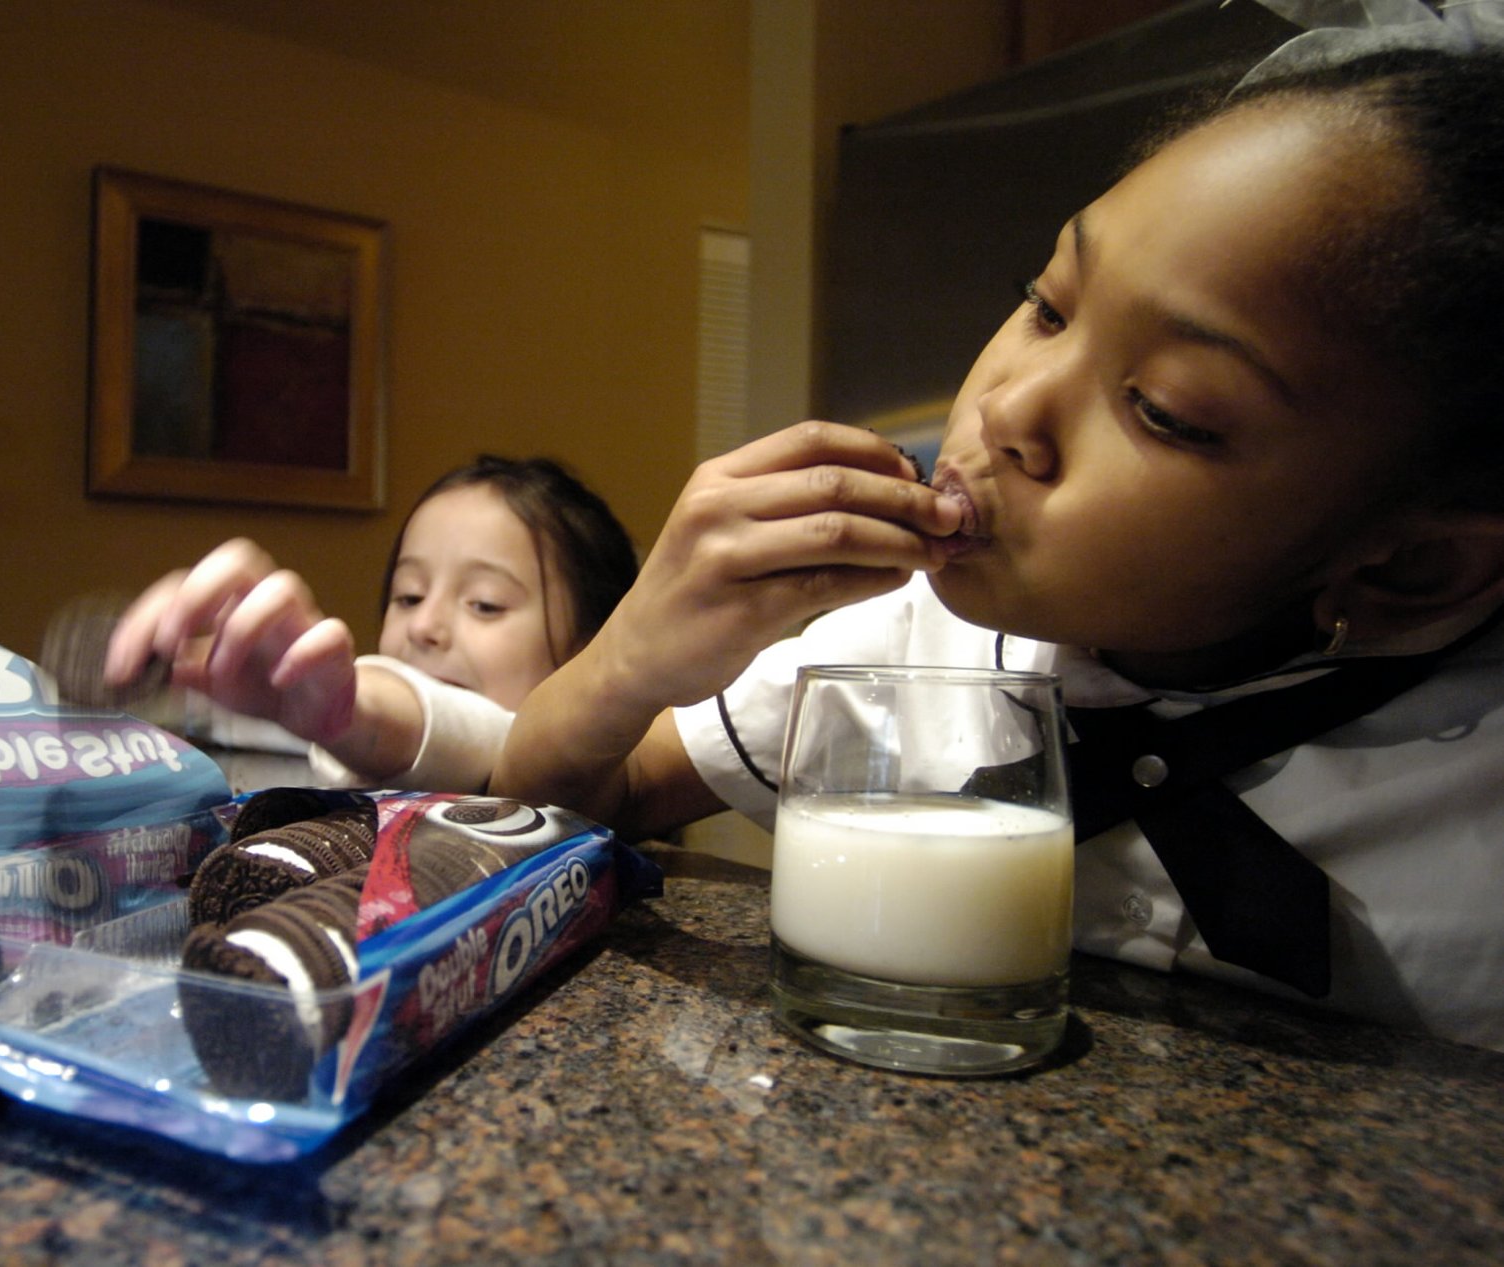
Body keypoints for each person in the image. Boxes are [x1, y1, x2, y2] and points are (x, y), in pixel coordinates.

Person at [492, 29, 1504, 1050]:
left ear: (1410, 563)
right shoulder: (909, 642)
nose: (1008, 407)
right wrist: (630, 659)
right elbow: (573, 801)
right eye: (1048, 307)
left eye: (1165, 410)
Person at [106, 455, 638, 791]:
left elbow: (484, 737)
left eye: (485, 604)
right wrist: (185, 659)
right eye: (408, 596)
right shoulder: (357, 744)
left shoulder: (605, 777)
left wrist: (354, 710)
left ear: (592, 653)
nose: (423, 625)